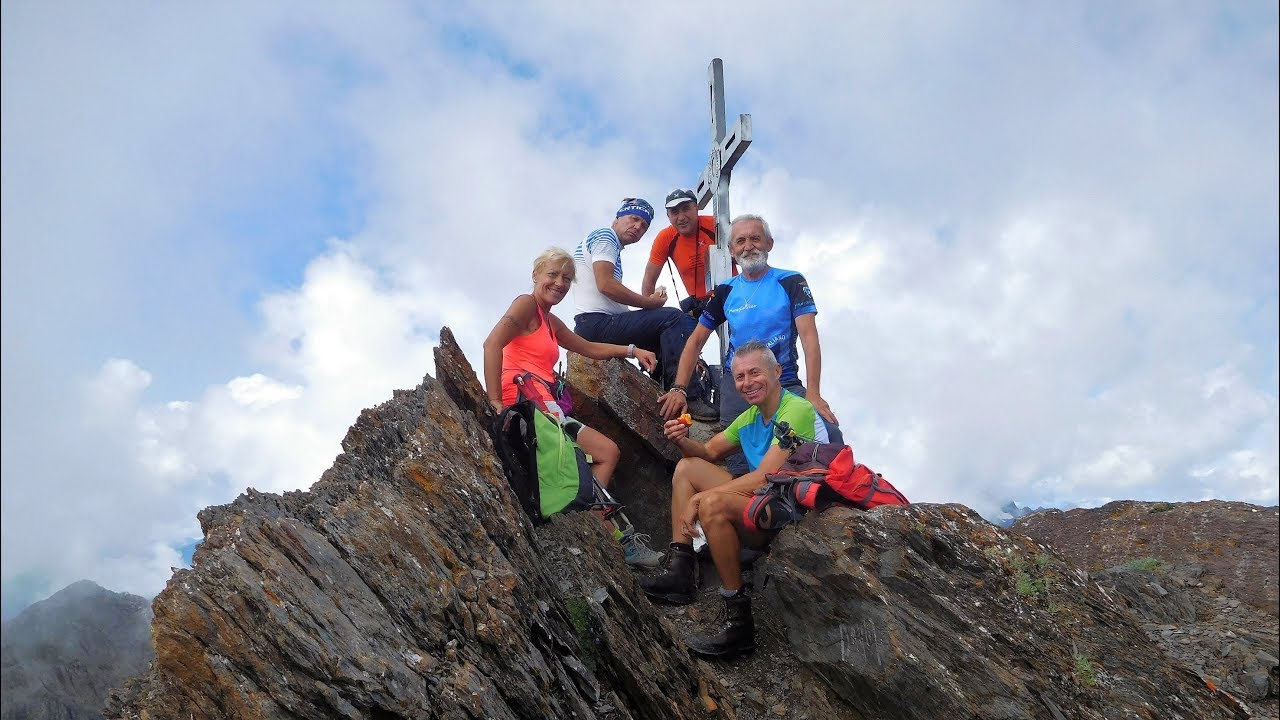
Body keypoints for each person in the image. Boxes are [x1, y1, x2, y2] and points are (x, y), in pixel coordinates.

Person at [639, 341, 827, 658]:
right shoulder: (751, 417)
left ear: (777, 371)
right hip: (762, 499)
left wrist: (702, 500)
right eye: (739, 376)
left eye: (755, 372)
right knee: (687, 468)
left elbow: (768, 474)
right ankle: (680, 572)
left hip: (792, 512)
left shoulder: (796, 409)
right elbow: (709, 452)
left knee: (712, 504)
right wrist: (683, 440)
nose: (746, 383)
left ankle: (739, 623)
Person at [483, 247, 664, 568]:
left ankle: (591, 525)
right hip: (526, 404)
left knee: (607, 451)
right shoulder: (525, 305)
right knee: (579, 463)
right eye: (552, 274)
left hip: (550, 409)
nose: (559, 283)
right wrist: (495, 401)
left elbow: (589, 347)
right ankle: (620, 541)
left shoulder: (550, 321)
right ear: (536, 275)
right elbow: (492, 343)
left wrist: (633, 349)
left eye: (567, 278)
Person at [658, 214, 843, 473]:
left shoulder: (790, 281)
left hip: (784, 381)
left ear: (769, 243)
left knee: (828, 433)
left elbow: (809, 338)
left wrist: (813, 392)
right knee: (739, 465)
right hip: (738, 387)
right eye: (741, 241)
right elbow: (696, 340)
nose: (748, 246)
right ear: (732, 251)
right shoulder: (726, 290)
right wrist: (678, 388)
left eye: (755, 239)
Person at [573, 197, 716, 421]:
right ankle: (688, 394)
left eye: (644, 225)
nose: (638, 227)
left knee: (662, 334)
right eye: (634, 219)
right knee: (674, 319)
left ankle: (662, 390)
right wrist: (650, 302)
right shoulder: (605, 236)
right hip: (596, 324)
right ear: (618, 217)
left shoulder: (608, 245)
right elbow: (605, 284)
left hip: (596, 324)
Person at [640, 188, 732, 320]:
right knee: (683, 335)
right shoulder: (665, 237)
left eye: (686, 208)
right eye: (675, 212)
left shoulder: (716, 225)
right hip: (699, 306)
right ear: (668, 216)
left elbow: (745, 253)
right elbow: (649, 279)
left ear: (697, 207)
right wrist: (649, 315)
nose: (681, 217)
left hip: (731, 295)